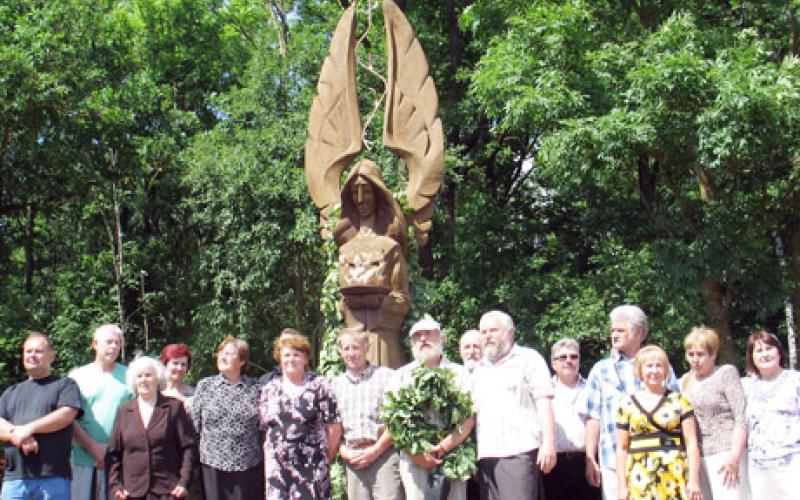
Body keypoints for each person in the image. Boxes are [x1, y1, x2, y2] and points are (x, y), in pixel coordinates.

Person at [584, 305, 677, 500]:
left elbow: (676, 411)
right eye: (612, 331)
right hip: (613, 462)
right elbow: (593, 417)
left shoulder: (658, 367)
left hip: (657, 458)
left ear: (639, 332)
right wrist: (590, 458)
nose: (614, 335)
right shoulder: (600, 370)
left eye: (620, 330)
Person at [386, 317, 474, 500]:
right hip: (414, 459)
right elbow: (394, 421)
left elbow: (468, 418)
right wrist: (417, 453)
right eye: (417, 336)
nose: (423, 339)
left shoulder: (459, 373)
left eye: (428, 334)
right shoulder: (400, 376)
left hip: (454, 456)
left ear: (441, 338)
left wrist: (442, 447)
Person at [471, 311, 555, 500]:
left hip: (518, 453)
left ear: (510, 333)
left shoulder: (529, 359)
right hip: (485, 455)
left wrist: (548, 443)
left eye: (493, 330)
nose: (487, 336)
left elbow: (544, 401)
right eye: (483, 332)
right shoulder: (478, 370)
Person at [335, 160, 411, 368]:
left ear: (377, 194)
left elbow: (403, 299)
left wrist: (380, 302)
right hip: (353, 347)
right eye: (354, 192)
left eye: (366, 191)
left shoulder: (390, 246)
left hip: (383, 342)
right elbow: (342, 301)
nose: (360, 199)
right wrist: (349, 304)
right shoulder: (345, 249)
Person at [259, 330, 342, 499]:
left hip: (312, 468)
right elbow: (264, 430)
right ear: (279, 359)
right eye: (286, 355)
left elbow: (334, 428)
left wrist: (324, 459)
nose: (291, 359)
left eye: (296, 355)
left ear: (306, 359)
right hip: (278, 470)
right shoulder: (269, 389)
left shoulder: (320, 386)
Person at [0, 332, 83, 499]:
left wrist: (29, 429)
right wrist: (19, 436)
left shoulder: (64, 385)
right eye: (28, 351)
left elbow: (66, 415)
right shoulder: (11, 392)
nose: (32, 355)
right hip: (15, 479)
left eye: (38, 351)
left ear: (51, 356)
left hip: (52, 477)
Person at [615, 345, 702, 500]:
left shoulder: (680, 401)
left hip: (674, 473)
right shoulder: (626, 405)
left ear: (666, 370)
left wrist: (694, 481)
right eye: (649, 366)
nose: (654, 371)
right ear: (640, 370)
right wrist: (622, 486)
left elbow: (691, 443)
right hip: (639, 476)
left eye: (659, 366)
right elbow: (621, 449)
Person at [106, 356, 195, 499]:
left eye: (148, 375)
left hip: (168, 490)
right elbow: (114, 452)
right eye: (139, 376)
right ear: (134, 381)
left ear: (158, 379)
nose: (143, 380)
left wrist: (184, 482)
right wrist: (116, 485)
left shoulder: (174, 407)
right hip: (132, 491)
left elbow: (188, 448)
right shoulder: (124, 410)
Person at [331, 328, 403, 500]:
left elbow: (397, 421)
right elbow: (334, 429)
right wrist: (344, 452)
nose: (351, 353)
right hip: (353, 459)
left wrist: (375, 451)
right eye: (346, 348)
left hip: (384, 455)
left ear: (366, 349)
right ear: (341, 352)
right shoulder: (335, 385)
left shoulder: (387, 377)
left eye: (355, 348)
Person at [680, 327, 749, 500]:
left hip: (726, 455)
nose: (695, 359)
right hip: (698, 458)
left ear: (713, 354)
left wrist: (734, 457)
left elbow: (741, 417)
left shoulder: (726, 373)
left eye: (700, 354)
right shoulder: (684, 382)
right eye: (691, 354)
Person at [191, 337, 263, 500]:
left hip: (247, 466)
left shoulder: (256, 388)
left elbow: (263, 428)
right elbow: (195, 426)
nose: (222, 357)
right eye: (220, 353)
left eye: (229, 353)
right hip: (212, 465)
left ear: (242, 360)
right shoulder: (205, 386)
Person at [70, 324, 132, 500]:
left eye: (117, 343)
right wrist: (93, 448)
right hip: (82, 460)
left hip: (120, 462)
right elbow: (67, 418)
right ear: (95, 343)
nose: (113, 347)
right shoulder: (77, 376)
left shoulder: (130, 376)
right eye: (109, 342)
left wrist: (111, 452)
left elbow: (136, 418)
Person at [743, 330, 800, 498]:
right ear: (752, 357)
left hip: (791, 463)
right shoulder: (746, 387)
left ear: (779, 352)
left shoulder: (795, 381)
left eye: (769, 348)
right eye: (758, 351)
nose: (765, 354)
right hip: (758, 467)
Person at [542, 338, 600, 500]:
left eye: (573, 357)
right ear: (553, 364)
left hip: (586, 461)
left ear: (579, 361)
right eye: (563, 357)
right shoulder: (544, 392)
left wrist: (592, 460)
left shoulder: (591, 388)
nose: (568, 361)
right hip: (553, 463)